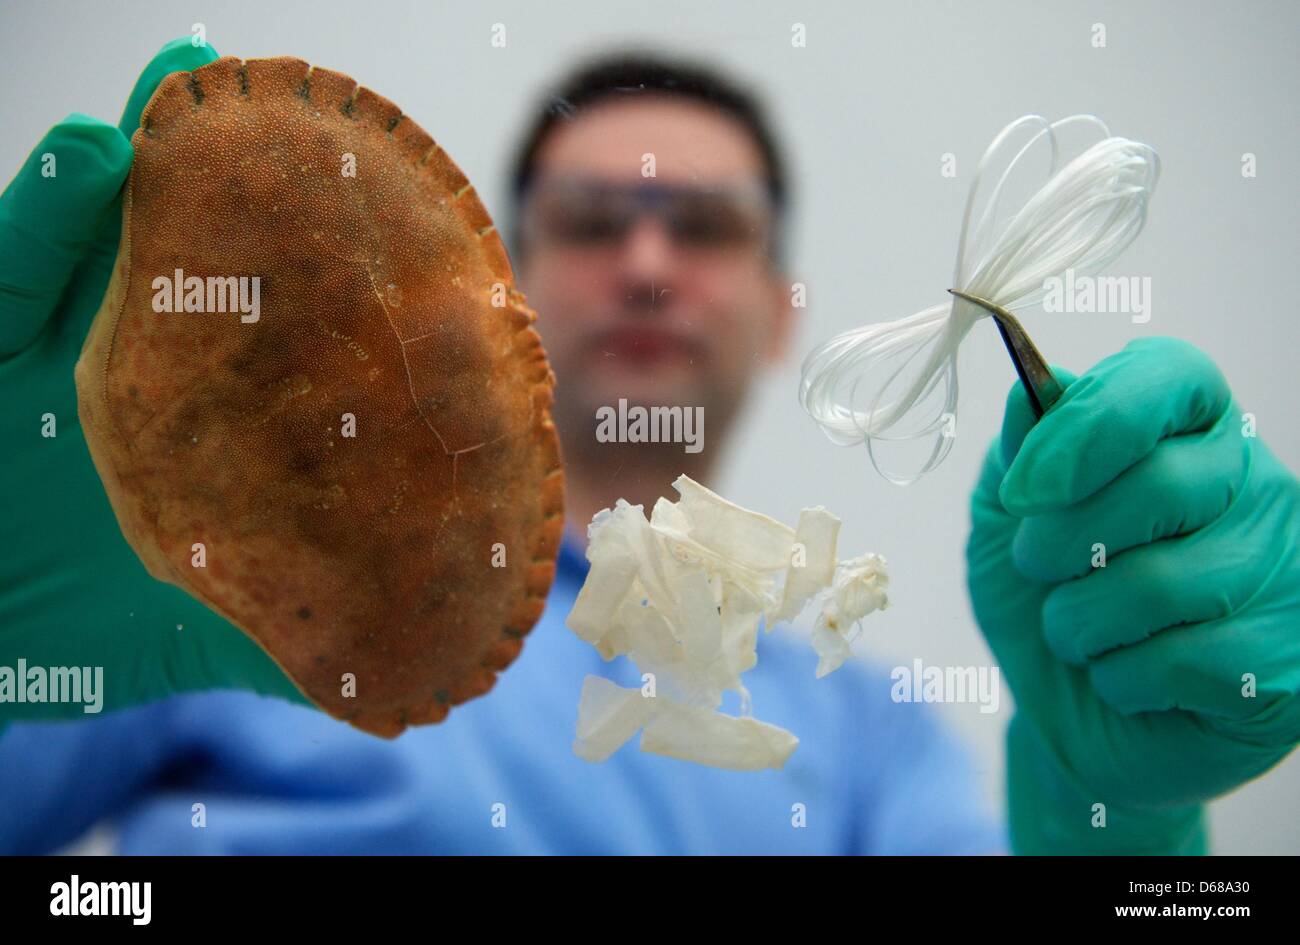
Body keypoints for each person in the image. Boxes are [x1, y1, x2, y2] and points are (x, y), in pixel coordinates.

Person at [1, 38, 1297, 855]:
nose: (646, 262)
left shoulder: (868, 740)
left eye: (707, 226)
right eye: (592, 219)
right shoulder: (224, 604)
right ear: (492, 289)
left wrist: (1112, 812)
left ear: (784, 313)